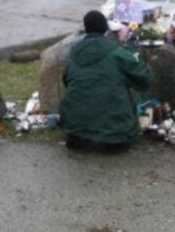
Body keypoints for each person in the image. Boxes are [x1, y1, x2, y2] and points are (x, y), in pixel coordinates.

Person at [60, 10, 152, 152]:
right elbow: (144, 79)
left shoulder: (73, 53)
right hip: (114, 136)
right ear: (105, 28)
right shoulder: (116, 52)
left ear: (86, 28)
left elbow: (66, 80)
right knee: (126, 87)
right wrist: (130, 51)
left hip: (77, 132)